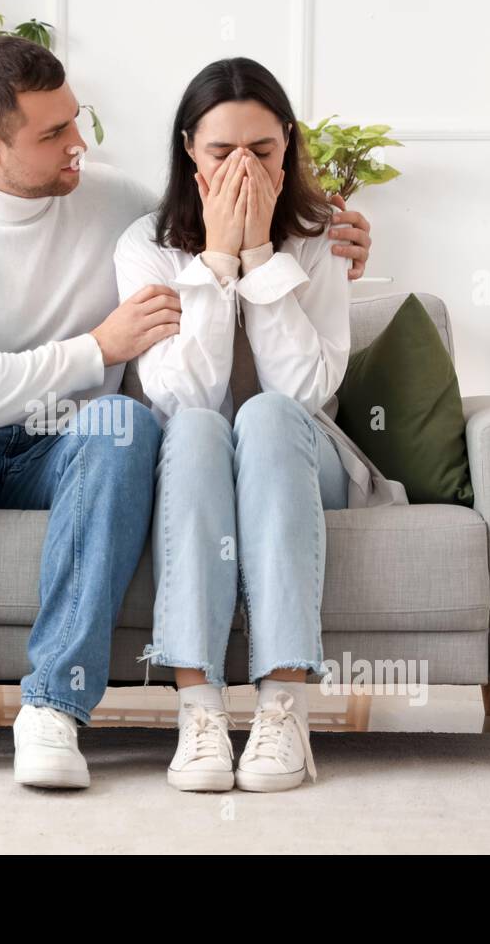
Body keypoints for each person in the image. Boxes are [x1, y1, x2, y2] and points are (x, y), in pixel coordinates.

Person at [0, 37, 375, 790]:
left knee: (127, 425)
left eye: (74, 121)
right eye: (52, 134)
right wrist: (96, 349)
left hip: (66, 447)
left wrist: (324, 239)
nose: (77, 144)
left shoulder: (117, 204)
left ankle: (53, 704)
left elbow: (222, 222)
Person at [113, 57, 402, 794]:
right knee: (203, 430)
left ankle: (283, 709)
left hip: (301, 462)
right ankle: (200, 711)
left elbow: (304, 389)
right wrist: (214, 262)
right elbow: (184, 399)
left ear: (289, 145)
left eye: (263, 151)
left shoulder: (322, 239)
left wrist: (263, 260)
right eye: (221, 153)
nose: (244, 168)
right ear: (189, 151)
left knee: (269, 413)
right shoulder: (144, 246)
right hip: (197, 461)